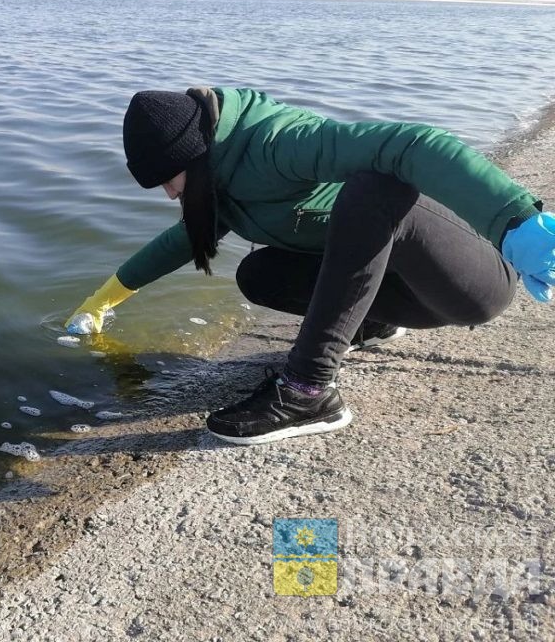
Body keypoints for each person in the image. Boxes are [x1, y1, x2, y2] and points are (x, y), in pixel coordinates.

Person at [65, 87, 554, 445]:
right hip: (402, 290)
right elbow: (180, 242)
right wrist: (102, 301)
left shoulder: (277, 141)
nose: (171, 193)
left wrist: (514, 219)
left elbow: (414, 143)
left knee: (374, 190)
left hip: (471, 283)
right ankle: (374, 323)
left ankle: (308, 390)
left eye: (169, 180)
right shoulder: (214, 178)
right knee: (258, 275)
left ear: (194, 154)